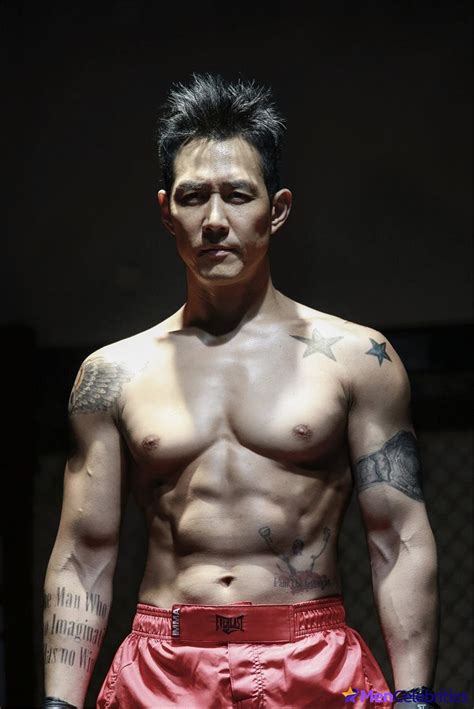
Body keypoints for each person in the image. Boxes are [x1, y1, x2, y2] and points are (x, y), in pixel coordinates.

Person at [43, 74, 439, 709]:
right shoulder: (112, 372)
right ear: (166, 211)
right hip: (164, 668)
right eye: (193, 198)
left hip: (311, 662)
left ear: (276, 209)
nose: (214, 221)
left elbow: (398, 537)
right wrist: (58, 704)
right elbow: (83, 554)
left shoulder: (357, 358)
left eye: (237, 195)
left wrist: (417, 697)